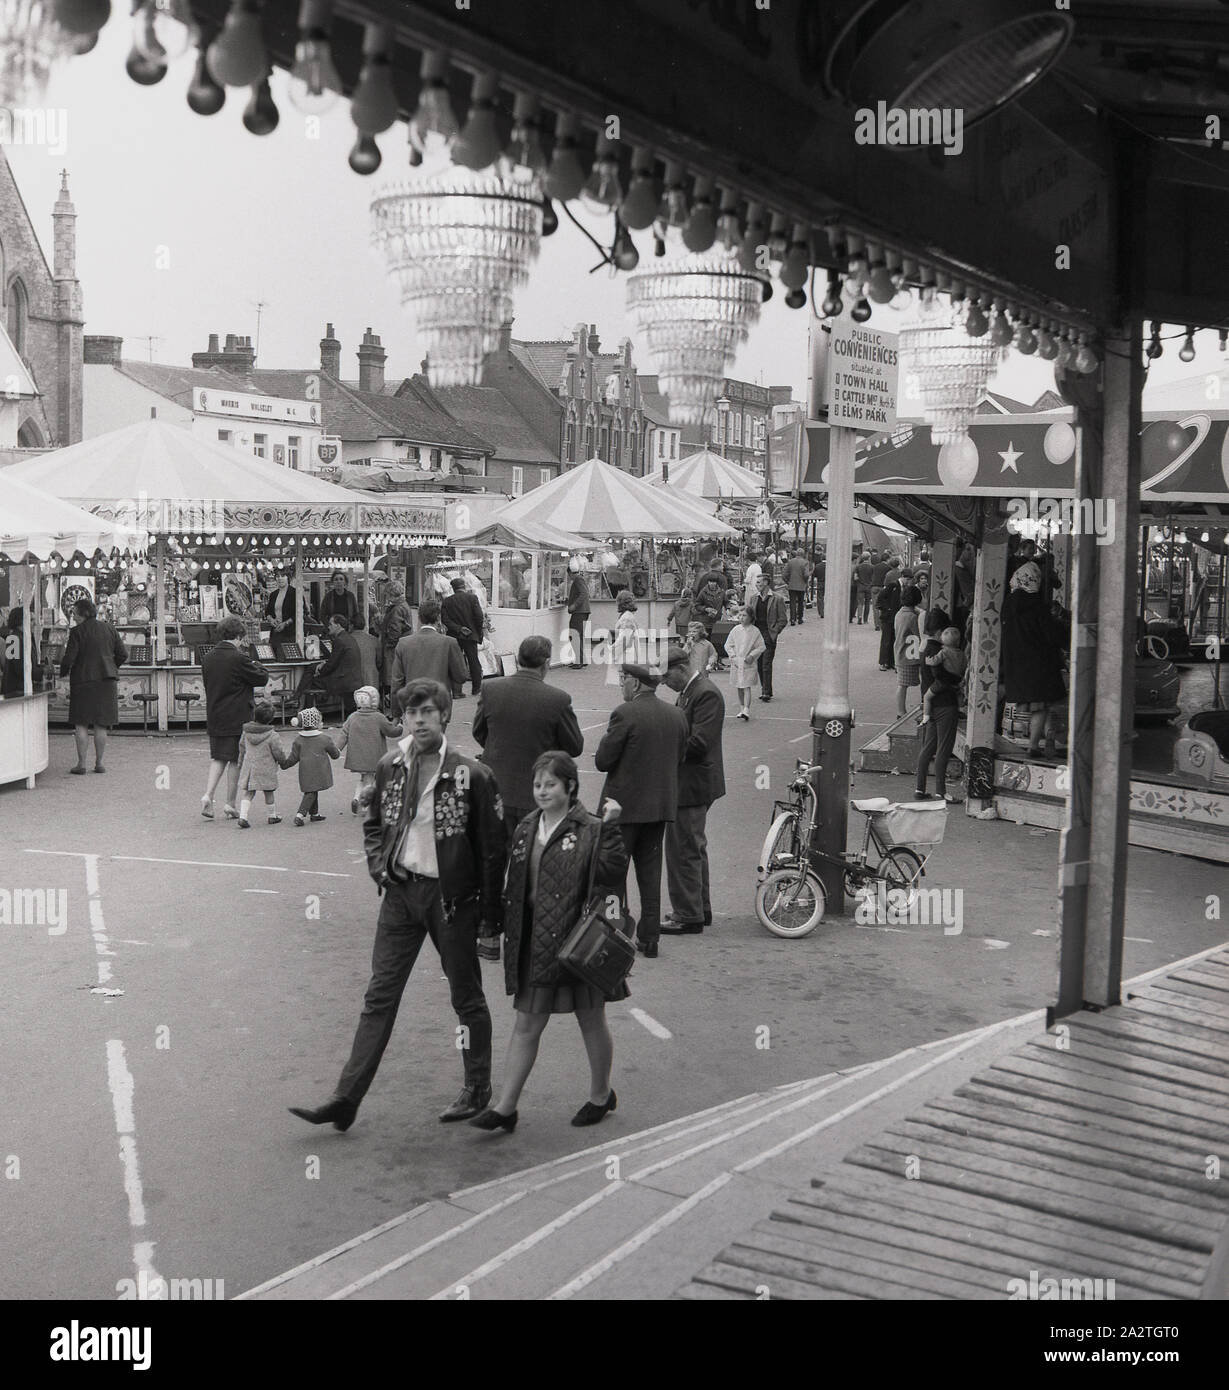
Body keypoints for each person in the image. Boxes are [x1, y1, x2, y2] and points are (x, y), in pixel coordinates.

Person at [288, 678, 506, 1132]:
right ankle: (347, 1097)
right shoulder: (391, 766)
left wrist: (490, 920)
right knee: (379, 996)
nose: (420, 719)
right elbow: (374, 822)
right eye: (412, 712)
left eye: (429, 711)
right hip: (401, 896)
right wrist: (378, 866)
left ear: (445, 716)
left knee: (465, 996)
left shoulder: (472, 775)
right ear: (402, 719)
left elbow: (492, 850)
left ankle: (477, 1087)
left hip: (452, 900)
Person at [469, 752, 628, 1133]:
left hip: (578, 945)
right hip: (534, 944)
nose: (541, 791)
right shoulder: (526, 826)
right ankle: (506, 1108)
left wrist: (612, 830)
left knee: (591, 1020)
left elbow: (611, 873)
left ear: (570, 786)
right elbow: (515, 885)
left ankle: (601, 1094)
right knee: (526, 1024)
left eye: (550, 784)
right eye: (537, 784)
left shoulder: (592, 827)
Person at [593, 663, 688, 960]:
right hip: (658, 807)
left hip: (622, 809)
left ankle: (615, 931)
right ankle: (650, 938)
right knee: (650, 874)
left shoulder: (625, 714)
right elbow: (681, 757)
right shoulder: (677, 715)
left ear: (634, 684)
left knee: (612, 876)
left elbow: (603, 760)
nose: (622, 685)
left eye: (623, 680)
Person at [472, 634, 584, 840]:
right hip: (536, 795)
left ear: (518, 659)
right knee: (531, 862)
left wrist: (498, 747)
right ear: (547, 663)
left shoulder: (491, 689)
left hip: (496, 790)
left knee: (495, 861)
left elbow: (479, 732)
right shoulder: (558, 699)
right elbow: (575, 746)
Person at [661, 647, 725, 934]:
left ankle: (687, 914)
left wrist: (661, 749)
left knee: (683, 849)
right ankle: (699, 908)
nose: (664, 682)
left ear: (681, 669)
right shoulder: (691, 691)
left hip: (693, 783)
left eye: (666, 676)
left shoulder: (704, 693)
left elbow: (699, 743)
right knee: (693, 847)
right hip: (693, 781)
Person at [201, 615, 270, 818]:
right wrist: (258, 663)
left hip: (215, 712)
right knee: (235, 760)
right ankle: (230, 803)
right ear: (239, 636)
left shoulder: (209, 657)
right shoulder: (239, 657)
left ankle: (208, 795)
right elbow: (261, 678)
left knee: (218, 757)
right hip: (237, 715)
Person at [1001, 560, 1068, 760]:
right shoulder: (1038, 607)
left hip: (1016, 665)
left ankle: (1047, 738)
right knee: (1043, 705)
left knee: (1038, 705)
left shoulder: (1007, 605)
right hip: (1040, 663)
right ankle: (1034, 745)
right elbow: (1052, 634)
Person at [60, 596, 128, 775]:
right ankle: (99, 763)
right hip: (106, 681)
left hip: (83, 681)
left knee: (81, 724)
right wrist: (110, 667)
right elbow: (122, 654)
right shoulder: (109, 628)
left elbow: (69, 658)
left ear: (83, 613)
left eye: (74, 613)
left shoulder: (77, 632)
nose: (72, 617)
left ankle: (81, 764)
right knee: (101, 724)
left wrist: (62, 671)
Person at [334, 685, 402, 814]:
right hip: (374, 757)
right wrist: (400, 727)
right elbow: (391, 731)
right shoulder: (379, 717)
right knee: (371, 780)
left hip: (358, 757)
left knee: (364, 778)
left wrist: (337, 749)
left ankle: (356, 798)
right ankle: (365, 804)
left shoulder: (352, 717)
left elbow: (344, 734)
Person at [390, 598, 466, 711]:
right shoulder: (450, 643)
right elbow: (461, 676)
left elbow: (397, 682)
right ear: (438, 618)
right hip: (440, 704)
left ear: (419, 618)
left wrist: (396, 712)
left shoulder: (403, 643)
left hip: (413, 704)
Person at [281, 705, 341, 825]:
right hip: (320, 771)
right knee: (311, 792)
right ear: (314, 723)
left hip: (305, 771)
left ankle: (314, 813)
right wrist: (338, 752)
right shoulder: (325, 738)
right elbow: (335, 755)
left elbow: (293, 758)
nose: (322, 723)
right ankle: (300, 815)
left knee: (312, 790)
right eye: (320, 721)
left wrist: (284, 764)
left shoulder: (298, 740)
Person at [915, 659, 963, 803]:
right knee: (944, 748)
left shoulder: (926, 649)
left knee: (928, 748)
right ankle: (940, 792)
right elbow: (942, 678)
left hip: (932, 708)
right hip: (946, 706)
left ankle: (919, 788)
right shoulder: (941, 654)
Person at [236, 700, 289, 827]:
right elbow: (278, 752)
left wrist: (240, 763)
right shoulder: (272, 735)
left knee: (249, 793)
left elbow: (241, 748)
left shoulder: (246, 732)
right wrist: (283, 762)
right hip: (267, 768)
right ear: (270, 719)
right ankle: (272, 816)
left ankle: (243, 816)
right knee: (269, 792)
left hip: (250, 768)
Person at [299, 614, 363, 715]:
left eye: (330, 624)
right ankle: (302, 702)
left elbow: (331, 665)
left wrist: (319, 671)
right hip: (352, 679)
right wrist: (324, 665)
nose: (328, 627)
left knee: (311, 680)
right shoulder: (349, 638)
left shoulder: (339, 640)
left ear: (338, 625)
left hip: (343, 680)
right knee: (313, 674)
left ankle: (306, 711)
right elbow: (336, 661)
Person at [441, 576, 485, 697]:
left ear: (453, 588)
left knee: (455, 663)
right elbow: (479, 617)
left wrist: (459, 629)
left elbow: (445, 620)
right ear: (464, 586)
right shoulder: (472, 598)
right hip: (470, 635)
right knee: (473, 661)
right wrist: (476, 631)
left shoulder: (447, 601)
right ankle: (476, 688)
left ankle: (456, 691)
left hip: (454, 636)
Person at [750, 572, 788, 702]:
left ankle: (766, 692)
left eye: (759, 583)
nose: (757, 585)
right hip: (756, 635)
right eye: (756, 583)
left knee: (766, 663)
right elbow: (750, 615)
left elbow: (783, 620)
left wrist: (775, 632)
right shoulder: (754, 598)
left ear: (766, 583)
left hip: (768, 634)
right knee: (760, 664)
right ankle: (765, 689)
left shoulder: (777, 599)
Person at [724, 605, 767, 719]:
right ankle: (741, 708)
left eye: (744, 615)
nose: (741, 618)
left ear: (751, 617)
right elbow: (728, 644)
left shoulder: (755, 631)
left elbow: (761, 646)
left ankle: (747, 709)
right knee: (739, 686)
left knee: (746, 686)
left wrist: (752, 656)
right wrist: (733, 656)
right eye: (740, 615)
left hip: (748, 662)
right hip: (737, 662)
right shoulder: (735, 630)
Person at [377, 582, 414, 707]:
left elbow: (395, 630)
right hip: (404, 644)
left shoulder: (397, 608)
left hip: (395, 648)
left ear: (391, 594)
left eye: (387, 594)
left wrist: (387, 644)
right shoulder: (403, 605)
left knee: (394, 677)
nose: (386, 597)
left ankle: (395, 709)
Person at [921, 627, 966, 725]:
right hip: (956, 680)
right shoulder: (962, 654)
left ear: (942, 640)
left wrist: (927, 660)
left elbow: (935, 661)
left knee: (927, 697)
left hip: (942, 683)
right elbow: (964, 666)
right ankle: (961, 709)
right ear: (958, 642)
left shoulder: (944, 652)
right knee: (958, 693)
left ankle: (926, 716)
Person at [894, 585, 923, 718]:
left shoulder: (900, 613)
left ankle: (901, 710)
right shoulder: (912, 617)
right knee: (903, 684)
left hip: (900, 652)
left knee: (902, 683)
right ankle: (900, 711)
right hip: (908, 654)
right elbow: (918, 634)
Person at [265, 573, 311, 638]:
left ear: (288, 577)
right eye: (278, 576)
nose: (280, 578)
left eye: (283, 576)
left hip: (291, 633)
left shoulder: (295, 593)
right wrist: (271, 620)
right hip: (275, 632)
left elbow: (302, 612)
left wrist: (285, 623)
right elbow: (267, 612)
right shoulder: (273, 594)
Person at [565, 561, 591, 668]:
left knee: (574, 634)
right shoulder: (580, 579)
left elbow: (584, 593)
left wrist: (574, 605)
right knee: (579, 635)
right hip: (583, 611)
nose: (569, 577)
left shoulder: (578, 579)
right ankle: (582, 659)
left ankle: (579, 661)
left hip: (579, 611)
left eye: (569, 574)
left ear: (571, 573)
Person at [350, 613, 381, 691]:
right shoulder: (374, 640)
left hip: (353, 682)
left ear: (351, 625)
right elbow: (379, 662)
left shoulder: (347, 640)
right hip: (371, 680)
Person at [782, 548, 811, 625]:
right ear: (803, 554)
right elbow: (806, 574)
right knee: (801, 602)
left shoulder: (790, 562)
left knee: (792, 602)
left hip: (792, 585)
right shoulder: (805, 562)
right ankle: (800, 618)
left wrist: (788, 582)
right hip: (801, 585)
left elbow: (784, 574)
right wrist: (805, 581)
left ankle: (792, 619)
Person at [870, 551, 891, 630]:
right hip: (883, 587)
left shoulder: (875, 567)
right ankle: (882, 624)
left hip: (874, 586)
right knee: (883, 606)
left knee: (875, 607)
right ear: (887, 559)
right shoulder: (888, 568)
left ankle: (877, 625)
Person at [854, 551, 874, 625]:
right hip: (869, 587)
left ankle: (859, 617)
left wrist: (860, 581)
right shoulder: (872, 567)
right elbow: (873, 577)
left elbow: (855, 578)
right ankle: (865, 620)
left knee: (860, 603)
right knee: (867, 603)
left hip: (860, 587)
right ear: (869, 558)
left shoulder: (858, 566)